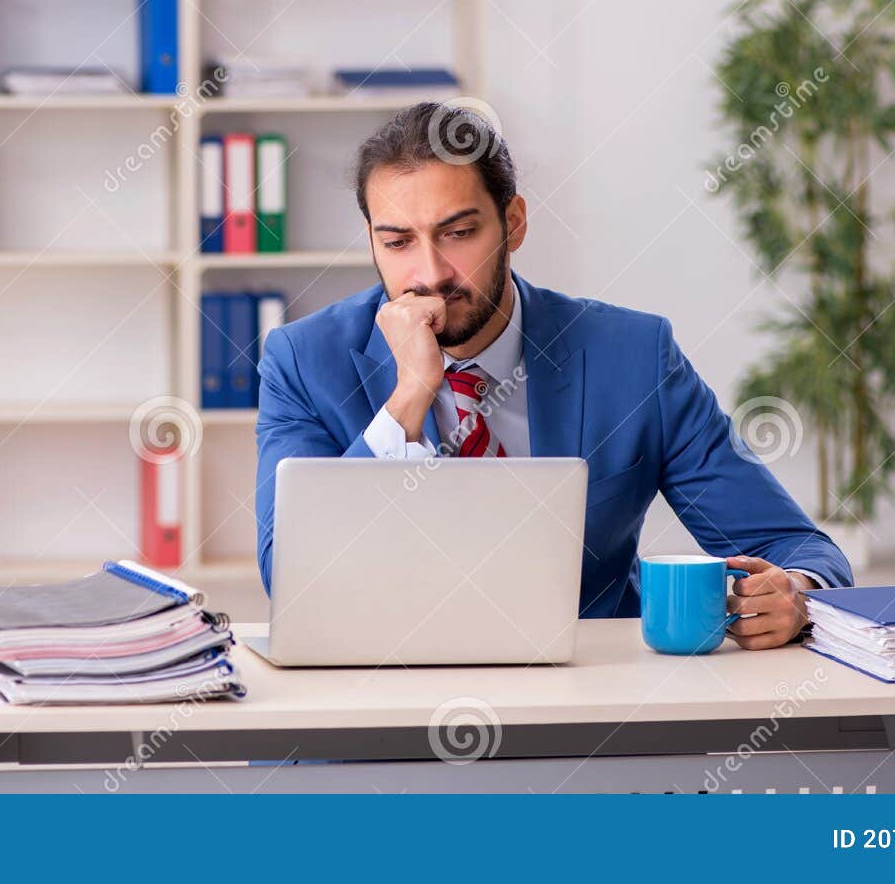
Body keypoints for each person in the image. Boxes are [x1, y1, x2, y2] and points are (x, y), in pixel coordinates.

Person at [253, 102, 852, 650]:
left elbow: (796, 547)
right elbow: (295, 578)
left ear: (513, 223)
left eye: (459, 234)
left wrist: (793, 592)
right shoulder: (303, 362)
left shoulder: (634, 356)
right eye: (399, 241)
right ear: (373, 243)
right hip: (380, 701)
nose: (430, 273)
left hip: (582, 715)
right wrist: (409, 398)